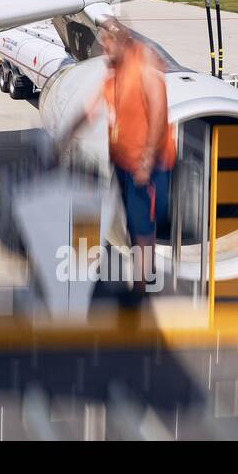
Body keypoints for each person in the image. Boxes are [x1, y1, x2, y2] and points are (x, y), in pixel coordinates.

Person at [60, 18, 176, 292]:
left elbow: (158, 115)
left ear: (121, 42)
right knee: (126, 221)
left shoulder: (144, 70)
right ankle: (125, 273)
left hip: (148, 165)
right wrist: (64, 138)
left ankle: (141, 288)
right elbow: (91, 110)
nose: (103, 49)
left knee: (142, 227)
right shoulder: (114, 75)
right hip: (123, 162)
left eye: (108, 44)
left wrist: (147, 160)